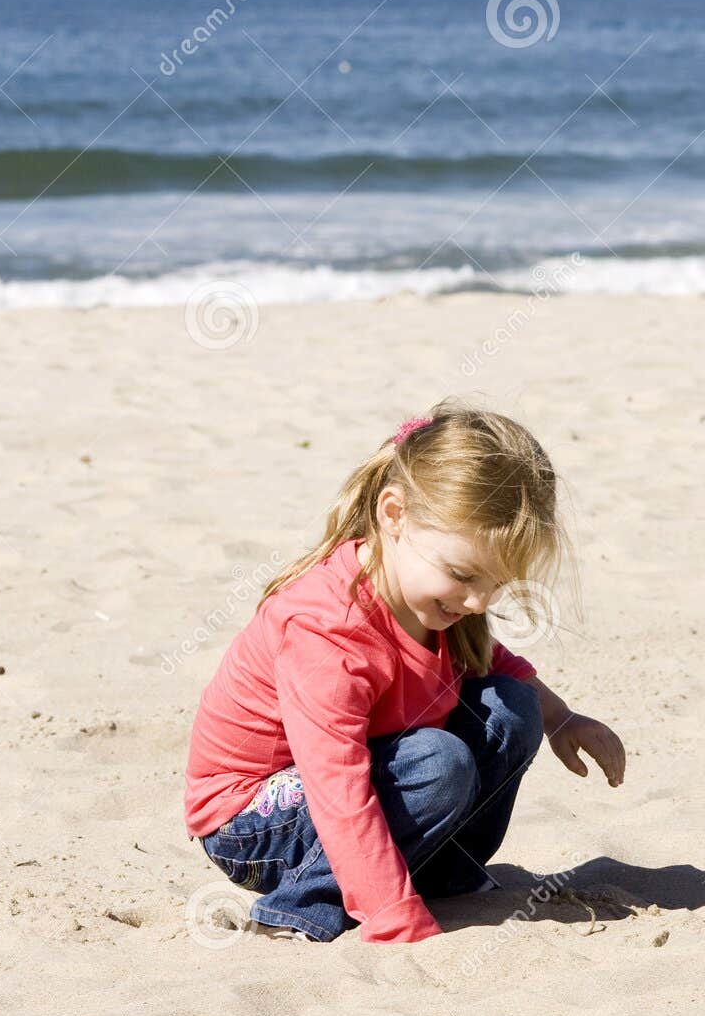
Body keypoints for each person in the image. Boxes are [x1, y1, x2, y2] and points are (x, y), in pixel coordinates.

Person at [183, 399, 625, 943]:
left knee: (510, 707)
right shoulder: (329, 632)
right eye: (463, 575)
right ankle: (304, 904)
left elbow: (495, 665)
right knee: (438, 764)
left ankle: (440, 875)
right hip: (251, 821)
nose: (477, 602)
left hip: (352, 783)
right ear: (394, 516)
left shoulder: (427, 597)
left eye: (495, 586)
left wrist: (562, 718)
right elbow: (336, 783)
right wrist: (392, 916)